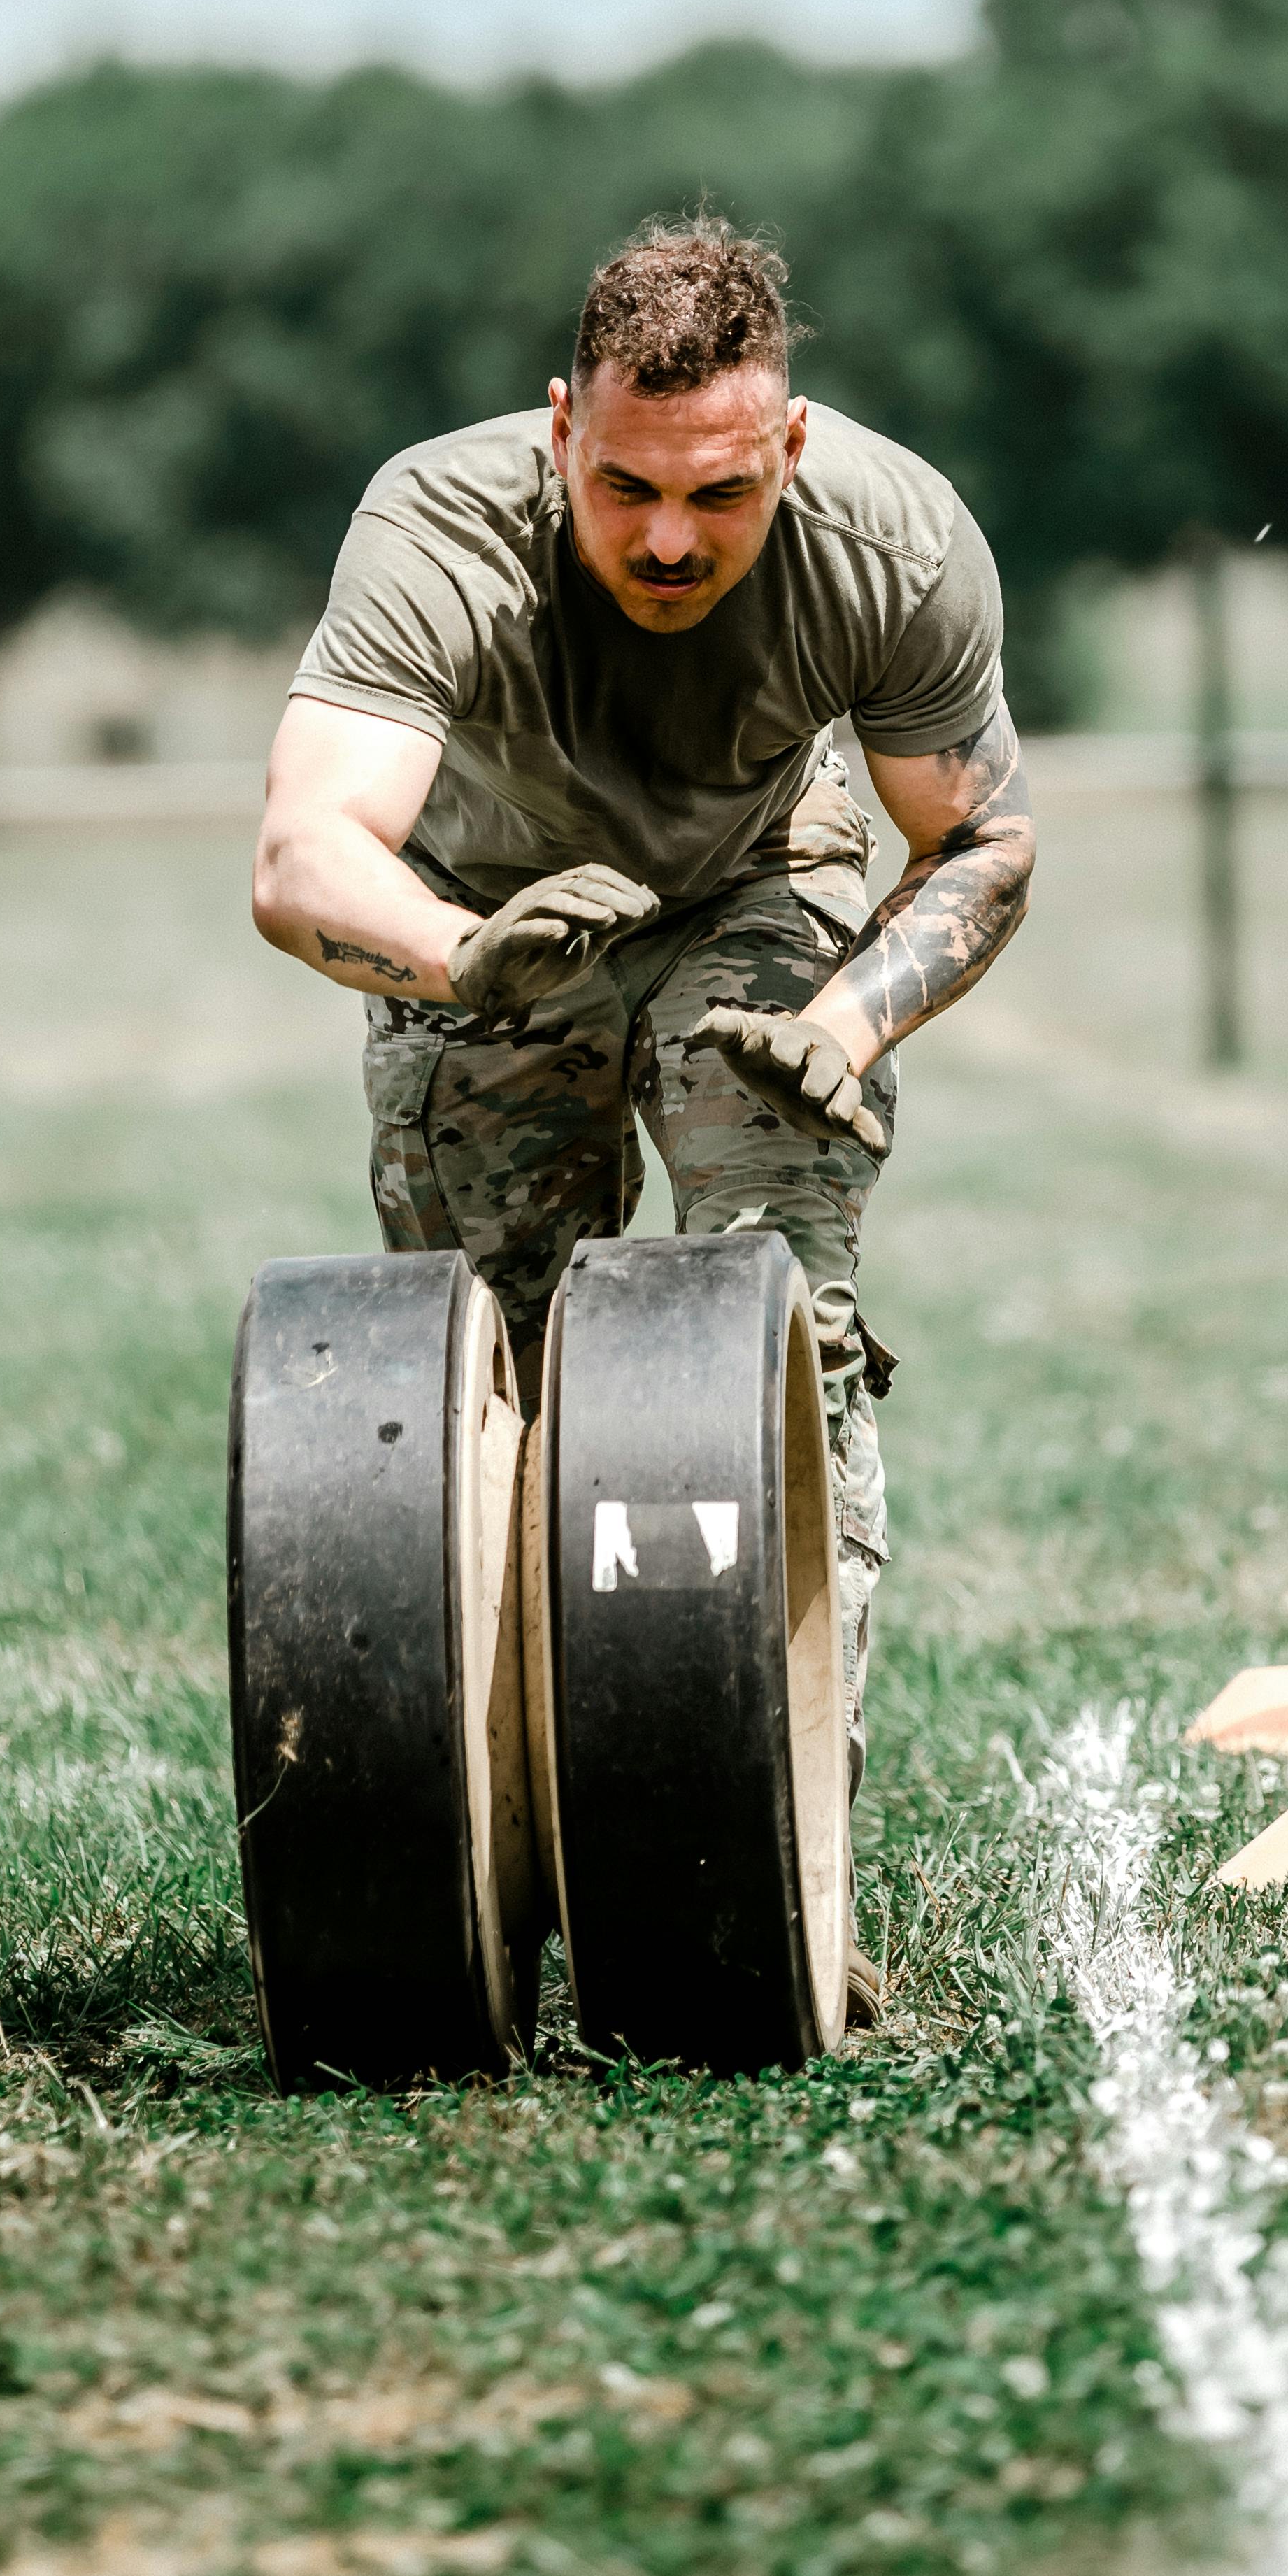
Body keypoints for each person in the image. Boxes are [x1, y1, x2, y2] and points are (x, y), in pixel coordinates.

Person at [251, 215, 1034, 1814]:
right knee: (495, 1376)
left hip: (756, 875)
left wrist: (852, 1023)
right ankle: (520, 1819)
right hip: (487, 910)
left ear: (791, 446)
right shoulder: (436, 522)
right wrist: (462, 956)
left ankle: (789, 1820)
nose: (669, 540)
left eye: (719, 493)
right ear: (561, 427)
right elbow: (302, 853)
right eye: (625, 487)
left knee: (779, 1317)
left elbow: (980, 838)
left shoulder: (896, 544)